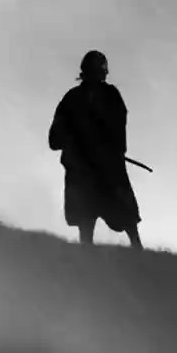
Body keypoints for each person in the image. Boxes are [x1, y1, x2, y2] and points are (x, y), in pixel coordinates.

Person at [48, 50, 143, 248]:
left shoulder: (105, 97)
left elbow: (118, 130)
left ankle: (135, 250)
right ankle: (97, 255)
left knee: (123, 216)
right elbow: (55, 139)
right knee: (87, 217)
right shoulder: (76, 99)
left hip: (105, 169)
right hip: (86, 170)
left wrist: (110, 151)